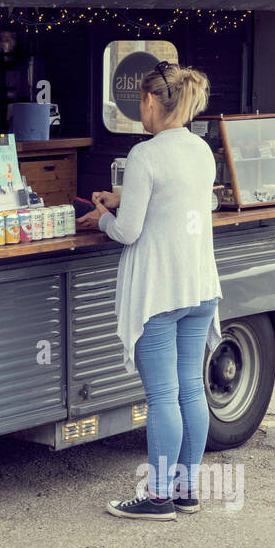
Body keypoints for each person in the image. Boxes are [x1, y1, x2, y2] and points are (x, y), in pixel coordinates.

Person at [76, 60, 221, 521]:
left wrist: (101, 216)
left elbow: (128, 232)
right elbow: (188, 200)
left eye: (140, 101)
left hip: (160, 291)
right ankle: (186, 491)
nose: (140, 109)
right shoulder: (201, 150)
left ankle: (157, 498)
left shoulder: (145, 154)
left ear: (153, 101)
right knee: (191, 390)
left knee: (162, 396)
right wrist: (122, 198)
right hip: (200, 285)